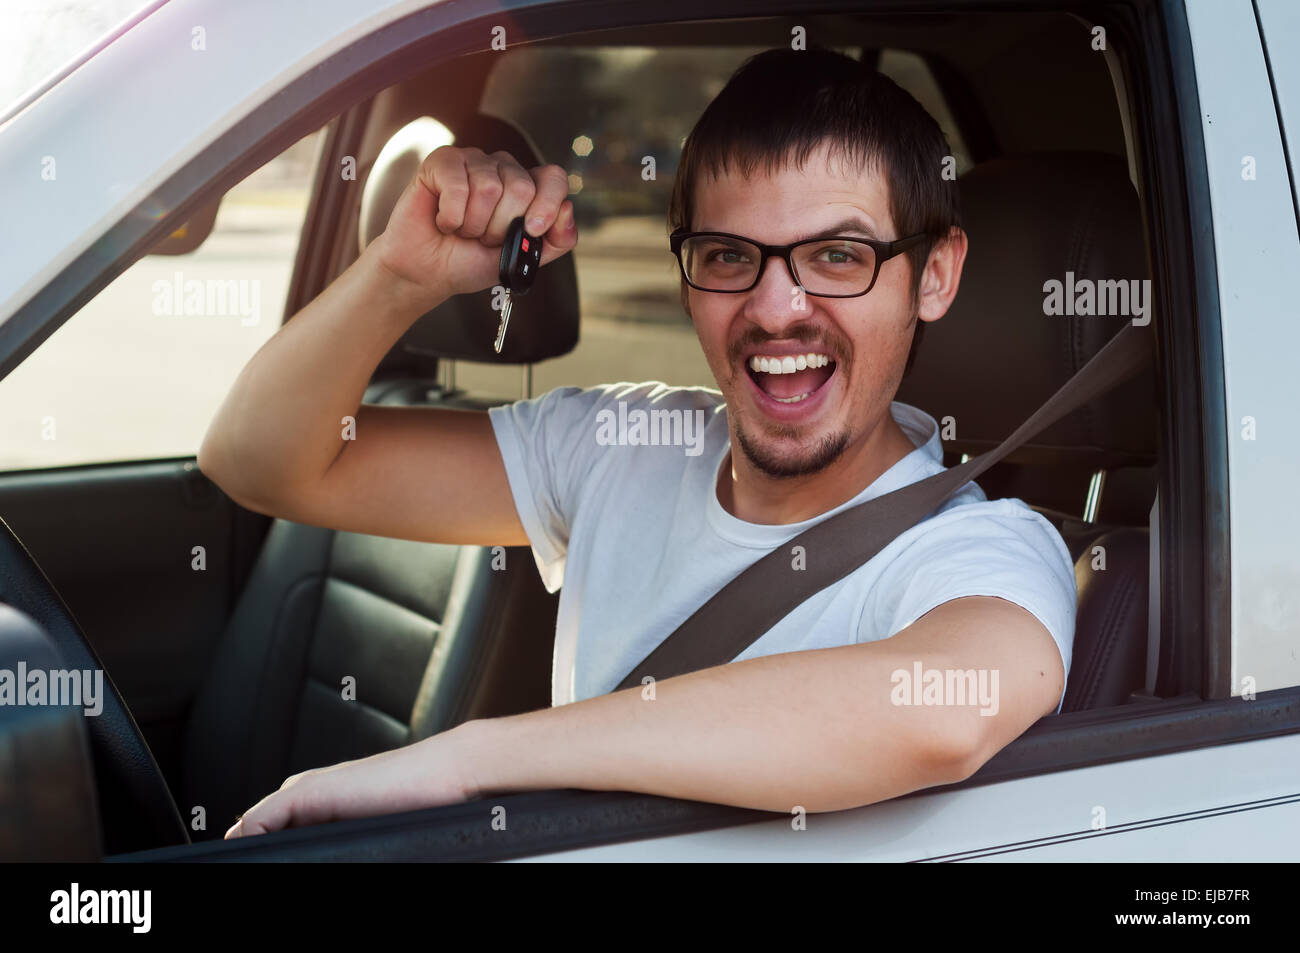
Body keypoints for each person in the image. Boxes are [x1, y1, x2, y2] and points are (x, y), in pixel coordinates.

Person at [202, 46, 1075, 838]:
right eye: (731, 256)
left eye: (838, 256)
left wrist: (464, 763)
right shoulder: (616, 444)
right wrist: (399, 278)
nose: (776, 310)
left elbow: (943, 711)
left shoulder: (981, 548)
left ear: (937, 274)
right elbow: (257, 459)